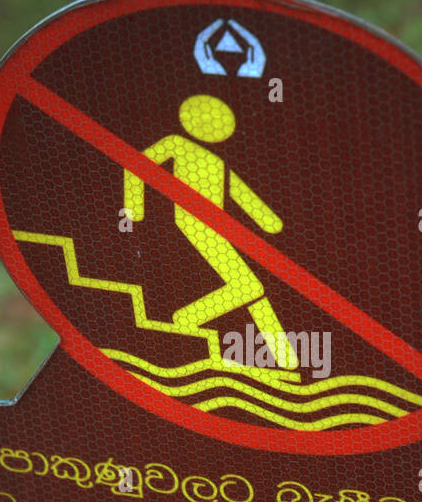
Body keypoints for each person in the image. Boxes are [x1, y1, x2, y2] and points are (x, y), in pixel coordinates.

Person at [123, 94, 298, 370]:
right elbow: (136, 165)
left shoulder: (217, 162)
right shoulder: (177, 144)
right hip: (194, 221)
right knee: (249, 286)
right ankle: (185, 321)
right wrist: (134, 209)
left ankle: (287, 360)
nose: (211, 124)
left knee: (254, 290)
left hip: (221, 227)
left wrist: (270, 222)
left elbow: (242, 195)